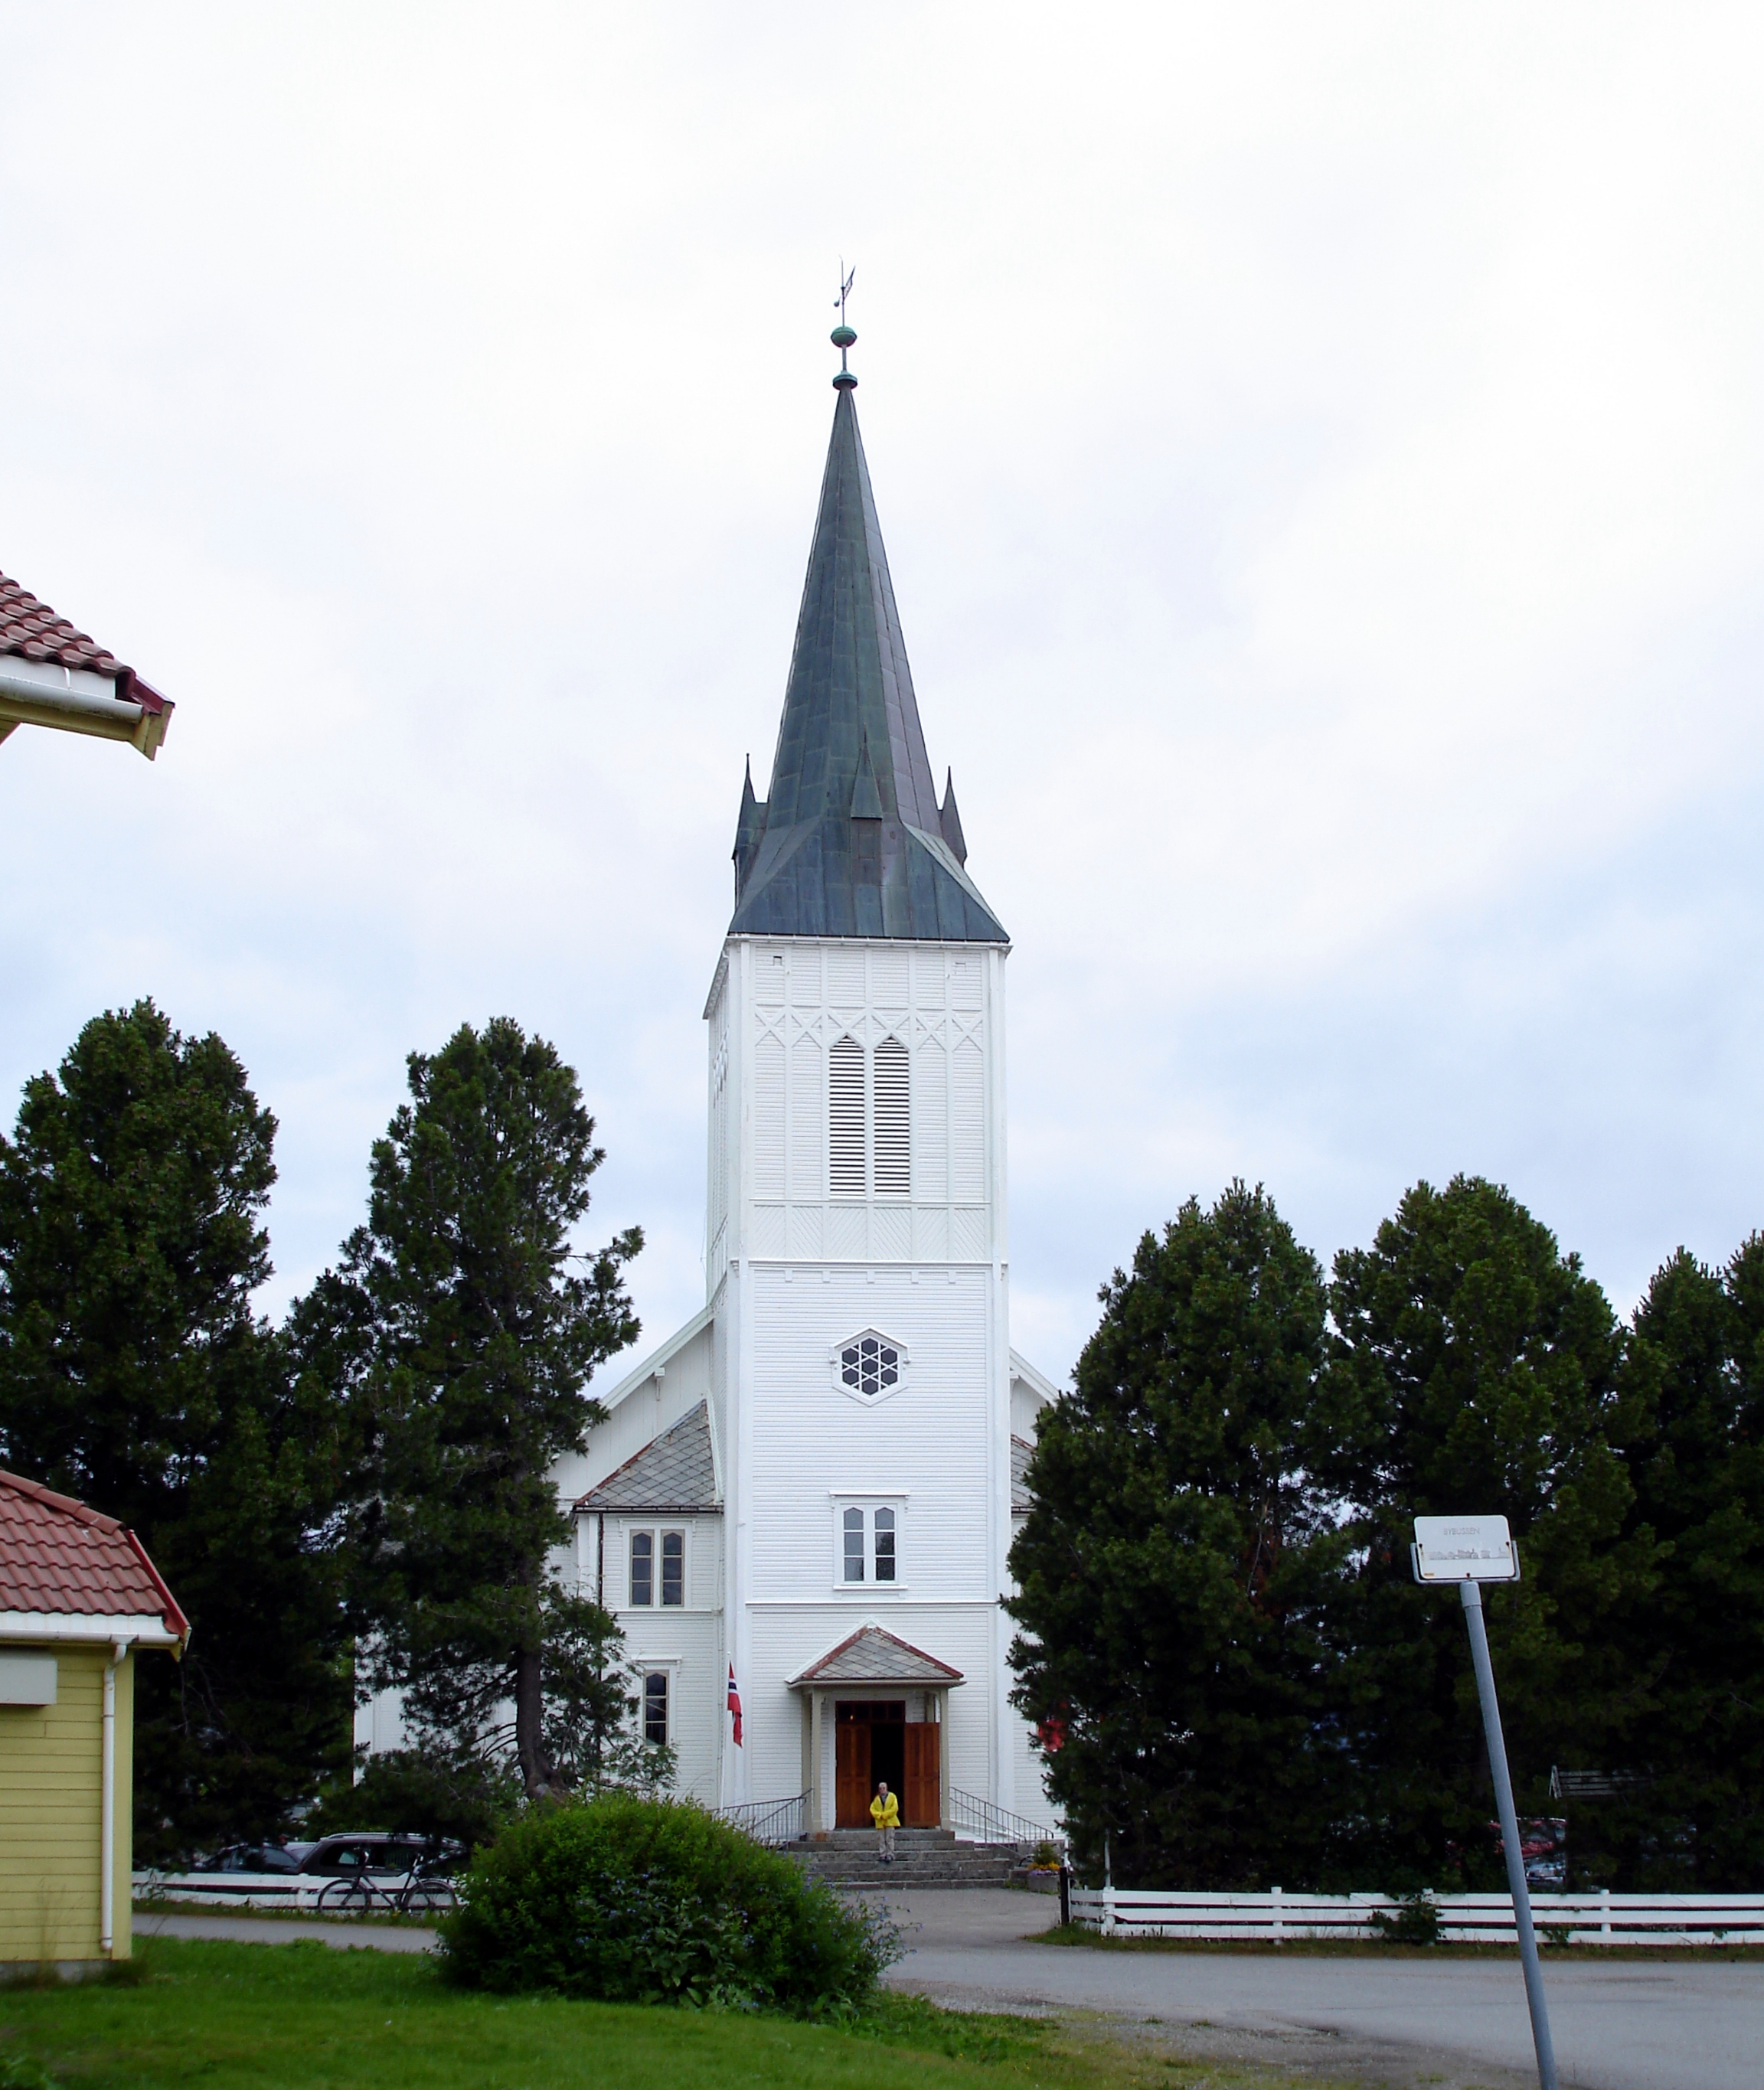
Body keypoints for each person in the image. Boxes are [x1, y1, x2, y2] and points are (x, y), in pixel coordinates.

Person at [870, 1780, 899, 1863]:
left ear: (886, 1788)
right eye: (880, 1788)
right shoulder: (876, 1799)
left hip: (890, 1822)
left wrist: (885, 1815)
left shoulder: (892, 1797)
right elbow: (872, 1809)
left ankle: (890, 1854)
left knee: (889, 1838)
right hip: (880, 1822)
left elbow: (895, 1808)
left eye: (883, 1788)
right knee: (881, 1839)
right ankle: (882, 1854)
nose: (882, 1790)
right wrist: (879, 1815)